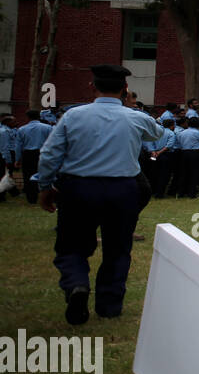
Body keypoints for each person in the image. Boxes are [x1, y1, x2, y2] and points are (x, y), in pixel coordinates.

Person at [36, 65, 162, 323]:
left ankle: (76, 285)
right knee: (118, 248)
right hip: (123, 189)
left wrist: (45, 186)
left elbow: (49, 154)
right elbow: (158, 133)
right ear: (125, 90)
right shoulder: (136, 118)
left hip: (78, 188)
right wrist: (131, 107)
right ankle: (109, 305)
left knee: (71, 244)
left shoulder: (73, 116)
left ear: (92, 87)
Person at [18, 109, 55, 203]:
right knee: (46, 174)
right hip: (43, 153)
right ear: (39, 116)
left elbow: (18, 146)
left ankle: (31, 198)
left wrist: (17, 159)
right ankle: (48, 196)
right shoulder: (48, 128)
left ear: (27, 117)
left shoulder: (22, 129)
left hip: (27, 154)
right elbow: (52, 142)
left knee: (28, 176)